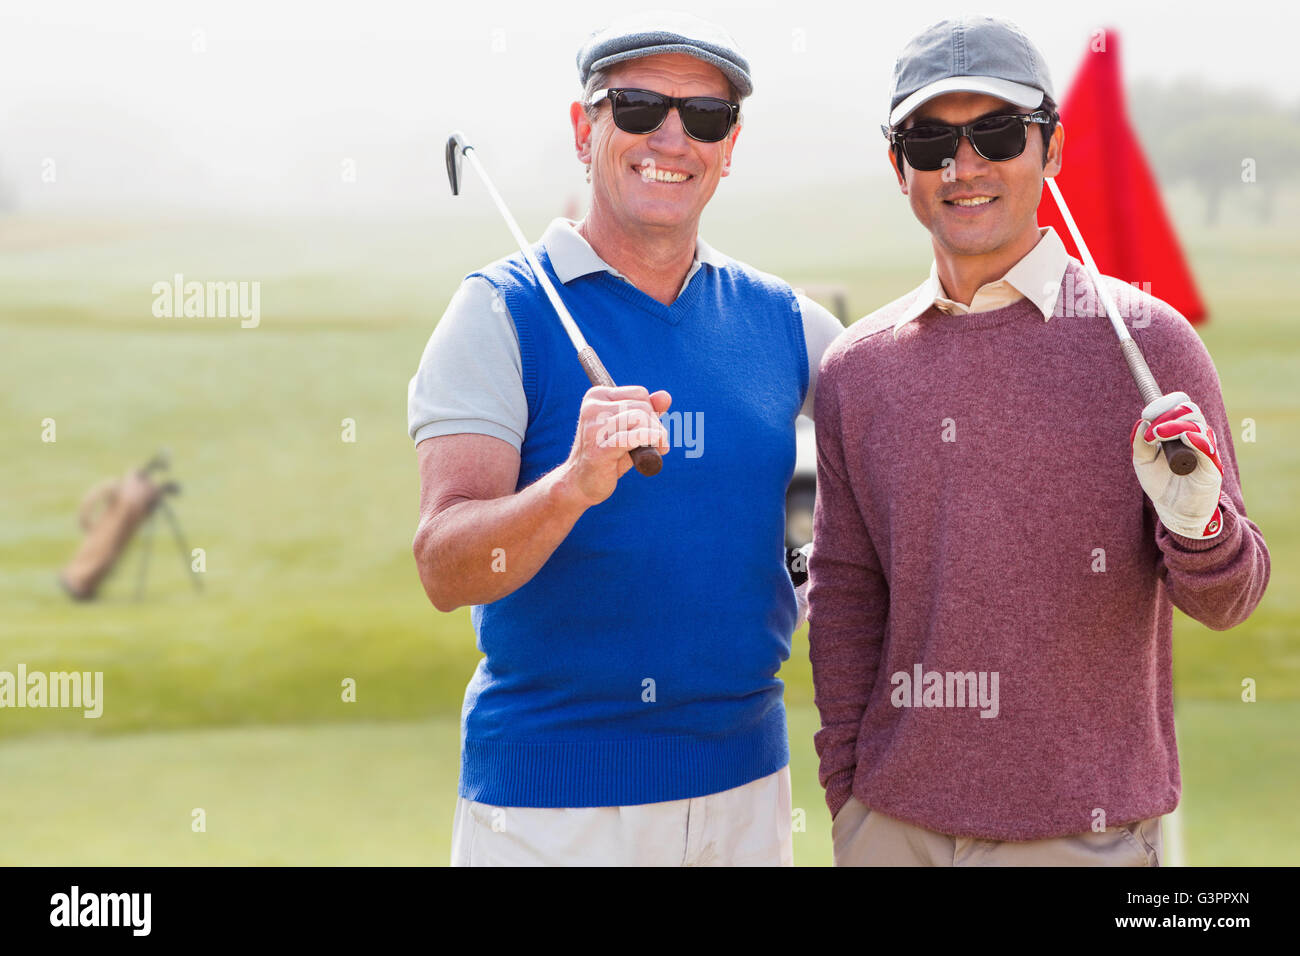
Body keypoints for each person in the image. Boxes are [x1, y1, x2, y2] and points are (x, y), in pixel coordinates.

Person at [808, 15, 1270, 866]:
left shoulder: (1151, 346)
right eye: (930, 141)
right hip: (892, 829)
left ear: (1050, 150)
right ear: (897, 164)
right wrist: (849, 798)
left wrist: (1201, 528)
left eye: (997, 133)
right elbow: (843, 593)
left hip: (1084, 835)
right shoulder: (856, 369)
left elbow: (1229, 600)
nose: (965, 167)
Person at [408, 11, 843, 866]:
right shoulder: (497, 314)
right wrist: (571, 483)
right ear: (585, 128)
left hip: (747, 793)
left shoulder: (787, 322)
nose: (671, 138)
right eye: (638, 108)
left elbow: (918, 419)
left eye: (705, 118)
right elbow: (444, 567)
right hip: (550, 807)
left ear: (730, 145)